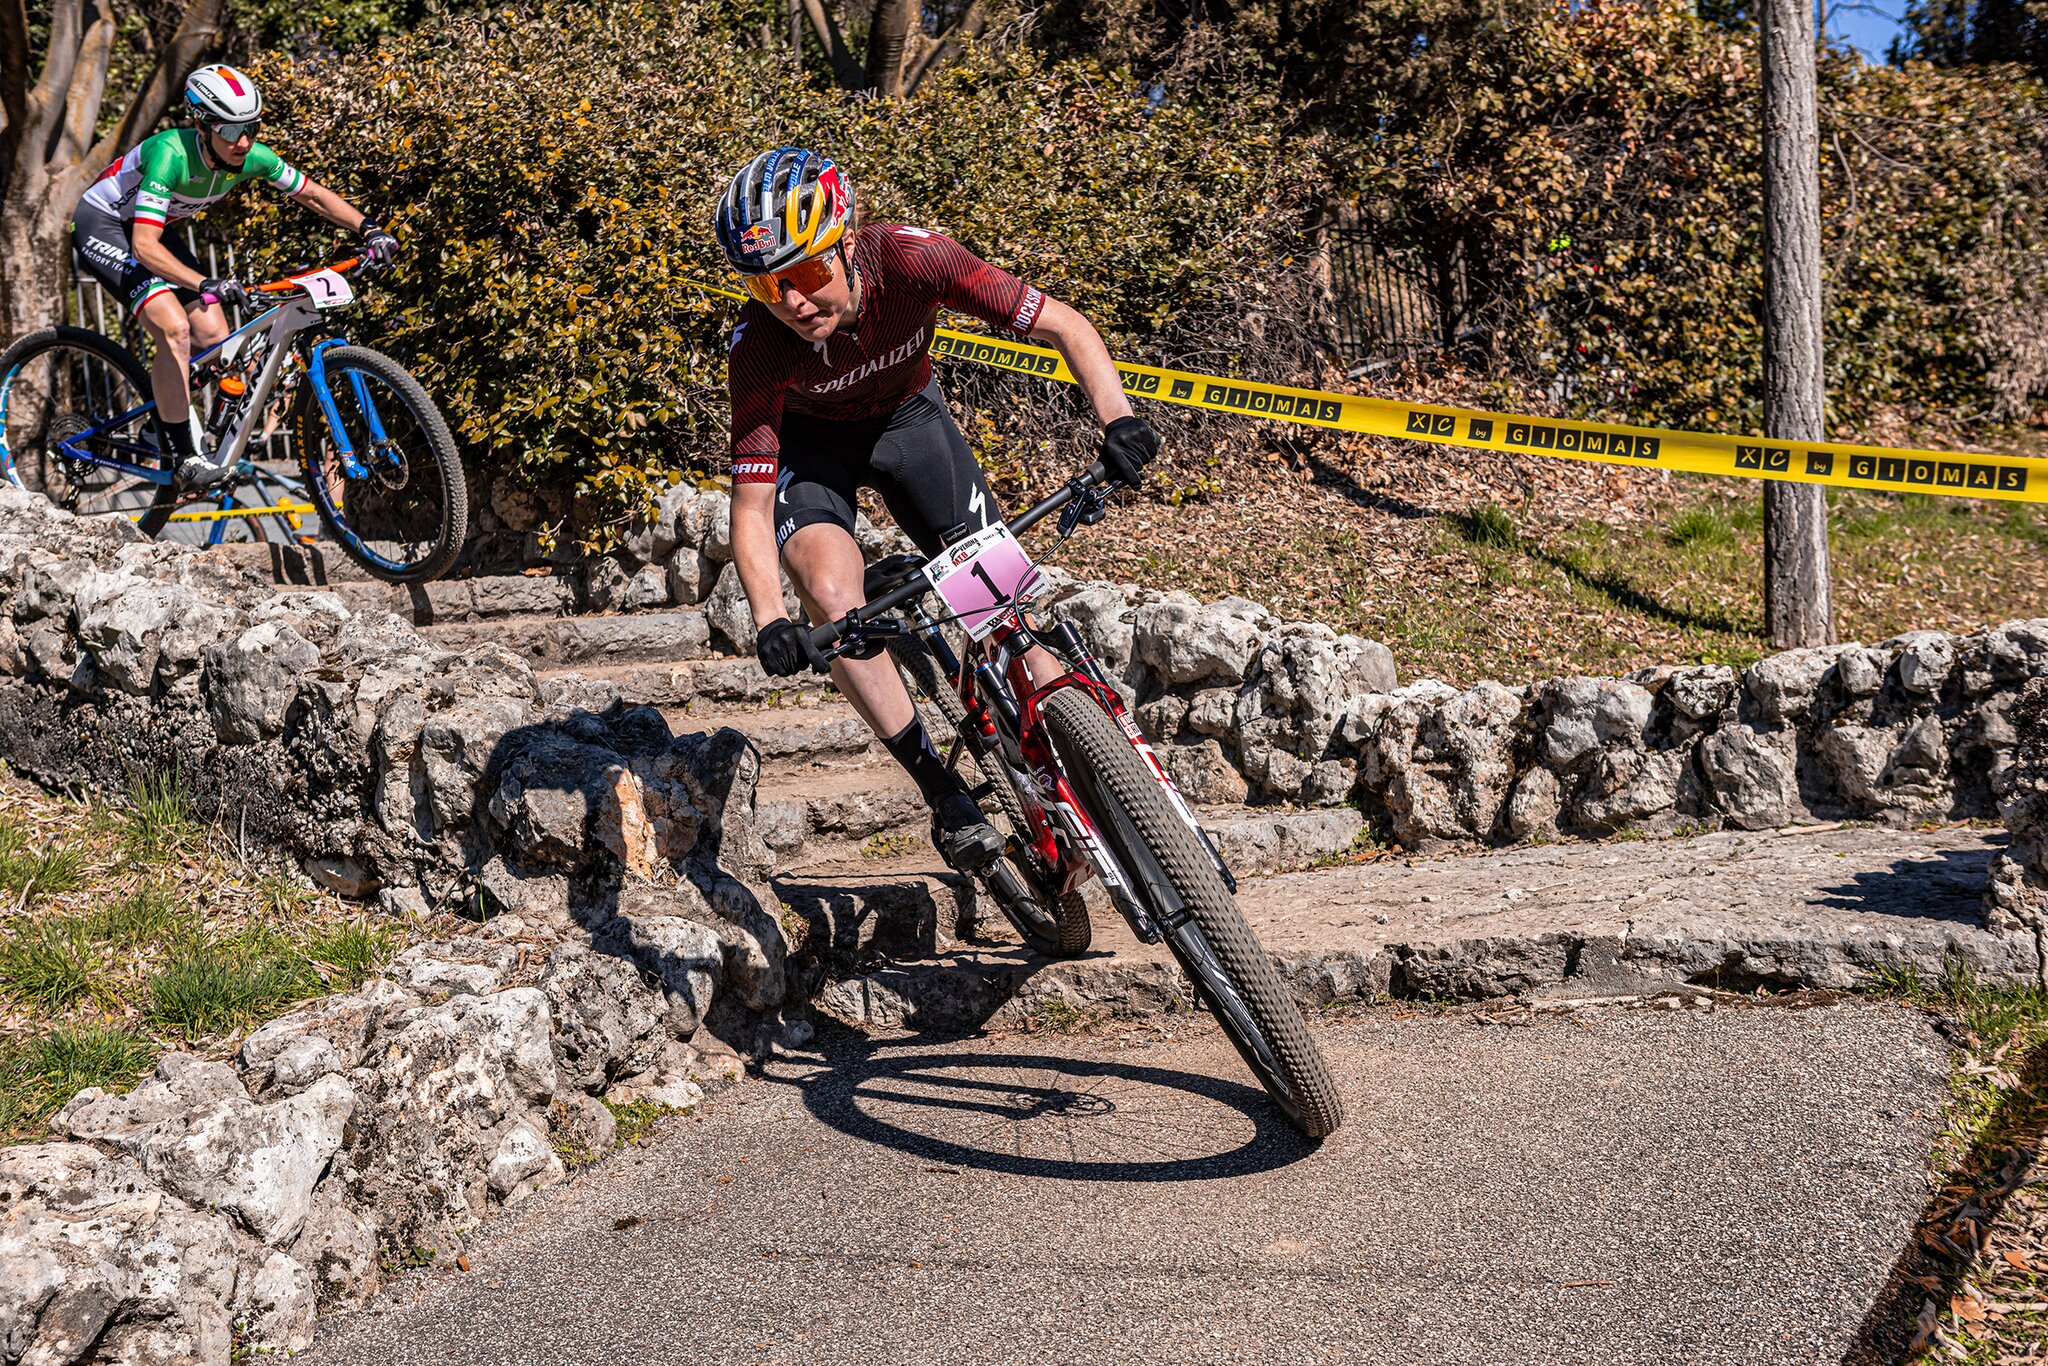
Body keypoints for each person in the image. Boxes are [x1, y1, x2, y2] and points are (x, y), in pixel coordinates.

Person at [714, 146, 1160, 872]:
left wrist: (1117, 421)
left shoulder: (914, 259)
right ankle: (943, 791)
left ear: (847, 242)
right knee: (833, 597)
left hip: (908, 424)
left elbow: (1064, 326)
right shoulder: (761, 349)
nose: (792, 303)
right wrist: (771, 620)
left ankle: (1099, 786)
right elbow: (753, 502)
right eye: (768, 287)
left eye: (803, 273)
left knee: (1009, 619)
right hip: (812, 451)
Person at [70, 64, 399, 488]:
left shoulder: (252, 157)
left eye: (251, 127)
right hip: (106, 224)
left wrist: (368, 229)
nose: (243, 141)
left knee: (217, 338)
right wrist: (204, 284)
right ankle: (186, 456)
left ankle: (160, 418)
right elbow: (144, 248)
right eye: (229, 130)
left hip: (152, 228)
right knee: (173, 326)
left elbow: (313, 195)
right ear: (202, 125)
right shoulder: (170, 154)